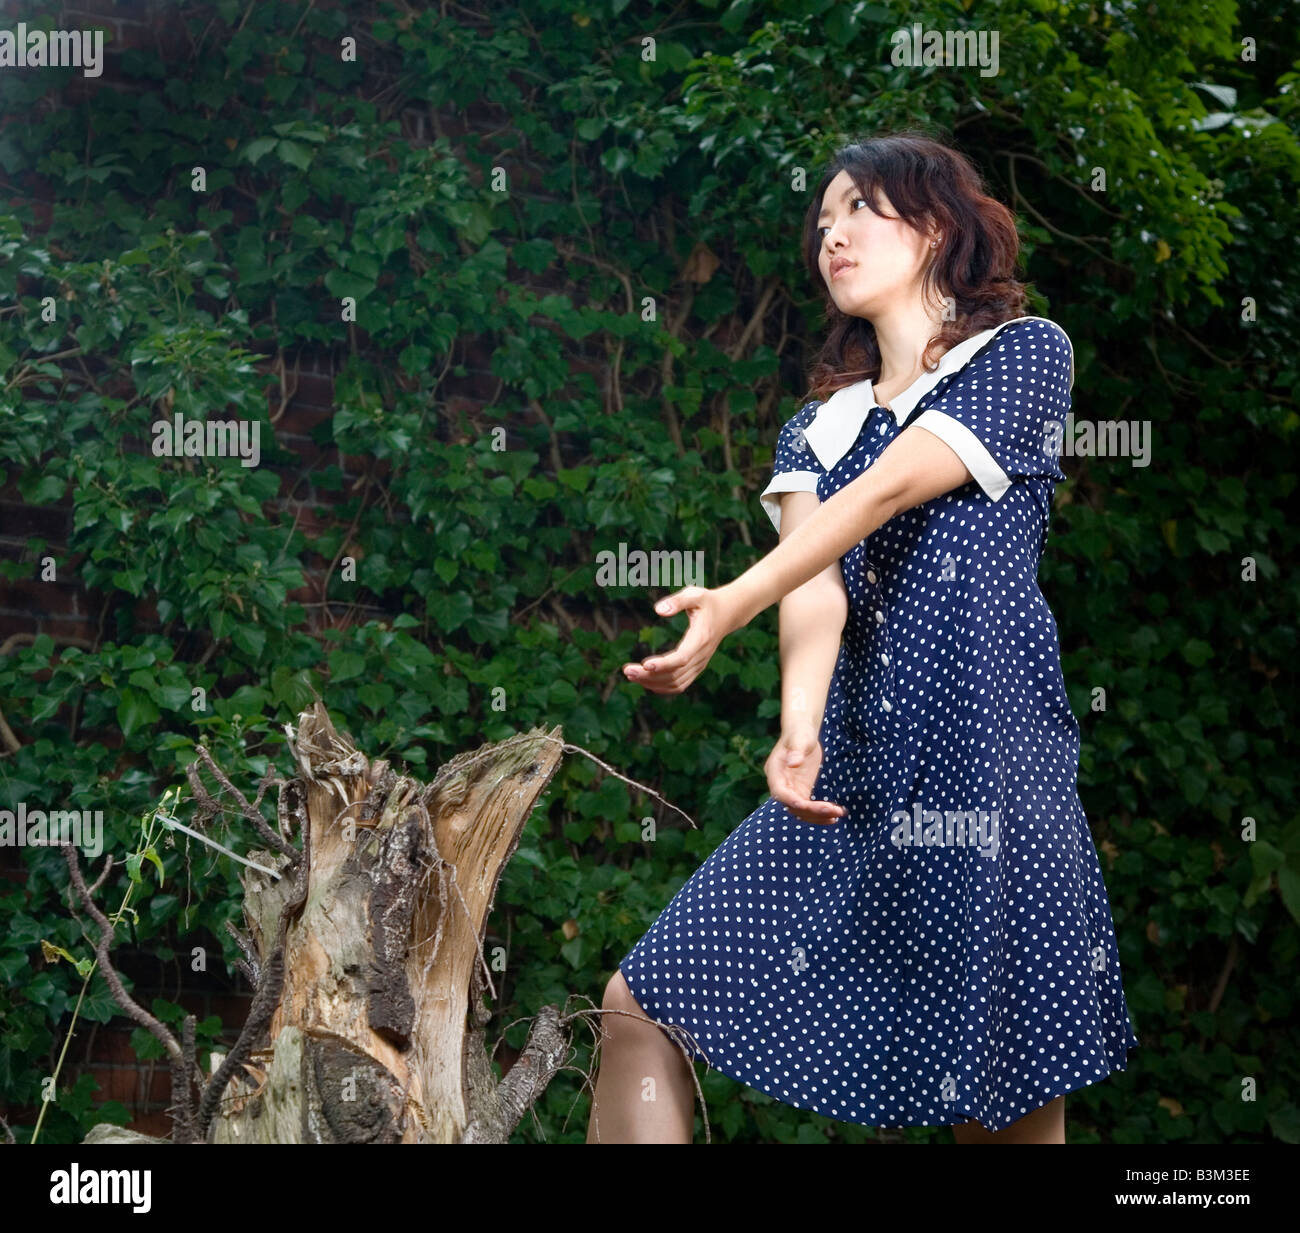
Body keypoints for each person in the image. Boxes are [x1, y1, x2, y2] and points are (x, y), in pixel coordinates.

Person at [586, 132, 1139, 1144]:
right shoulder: (819, 426)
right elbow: (818, 590)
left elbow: (889, 491)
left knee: (1004, 1104)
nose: (831, 235)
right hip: (855, 781)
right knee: (639, 1004)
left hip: (990, 771)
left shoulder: (1022, 355)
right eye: (823, 219)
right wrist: (797, 729)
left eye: (860, 210)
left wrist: (729, 600)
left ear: (934, 227)